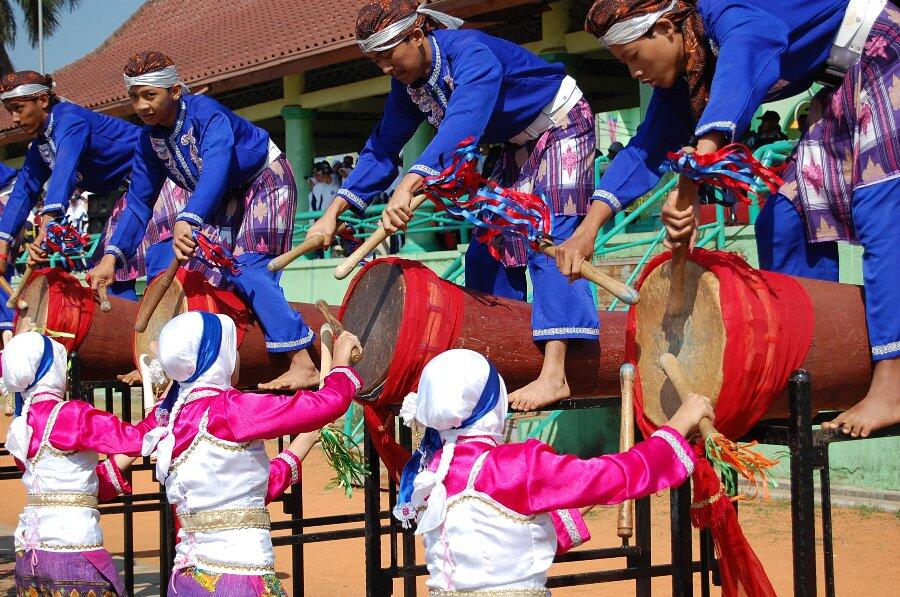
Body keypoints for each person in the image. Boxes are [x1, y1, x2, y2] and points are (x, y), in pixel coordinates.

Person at [556, 0, 899, 438]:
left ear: (666, 28)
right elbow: (644, 149)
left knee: (881, 210)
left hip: (885, 47)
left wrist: (693, 174)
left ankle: (893, 383)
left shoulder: (724, 12)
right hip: (842, 82)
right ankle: (813, 378)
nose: (634, 73)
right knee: (785, 218)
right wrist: (587, 230)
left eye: (633, 56)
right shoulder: (686, 76)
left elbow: (748, 52)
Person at [308, 0, 599, 411]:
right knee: (487, 250)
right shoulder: (408, 86)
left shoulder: (471, 53)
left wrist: (410, 182)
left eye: (389, 56)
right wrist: (333, 211)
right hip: (514, 145)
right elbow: (383, 145)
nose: (386, 68)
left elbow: (462, 123)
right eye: (376, 61)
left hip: (563, 125)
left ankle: (555, 374)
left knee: (550, 238)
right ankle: (502, 359)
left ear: (416, 35)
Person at [394, 349, 710, 594]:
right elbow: (617, 475)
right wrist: (681, 422)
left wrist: (584, 494)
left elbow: (507, 541)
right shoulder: (514, 466)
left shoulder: (429, 473)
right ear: (492, 403)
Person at [90, 51, 319, 390]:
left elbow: (216, 169)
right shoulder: (148, 140)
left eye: (149, 95)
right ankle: (162, 357)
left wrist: (188, 218)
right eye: (134, 97)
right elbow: (138, 203)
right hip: (221, 193)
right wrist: (111, 256)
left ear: (175, 91)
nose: (141, 106)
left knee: (247, 267)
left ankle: (302, 361)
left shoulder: (207, 114)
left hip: (264, 181)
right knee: (167, 259)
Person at [138, 311, 362, 593]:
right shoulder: (230, 409)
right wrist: (340, 365)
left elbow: (247, 488)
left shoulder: (176, 419)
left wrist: (305, 440)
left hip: (188, 581)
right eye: (233, 350)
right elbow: (326, 404)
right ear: (216, 359)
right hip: (238, 578)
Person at [0, 70, 186, 302]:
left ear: (43, 100)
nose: (15, 119)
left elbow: (64, 172)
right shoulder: (41, 145)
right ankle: (126, 322)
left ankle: (172, 315)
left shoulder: (69, 120)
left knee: (160, 257)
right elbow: (24, 190)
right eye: (10, 111)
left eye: (19, 108)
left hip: (162, 179)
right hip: (132, 194)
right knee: (104, 268)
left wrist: (47, 224)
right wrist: (3, 243)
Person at [2, 332, 159, 595]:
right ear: (53, 369)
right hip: (72, 552)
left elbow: (76, 484)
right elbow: (135, 439)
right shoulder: (71, 415)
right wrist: (161, 407)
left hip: (30, 555)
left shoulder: (21, 426)